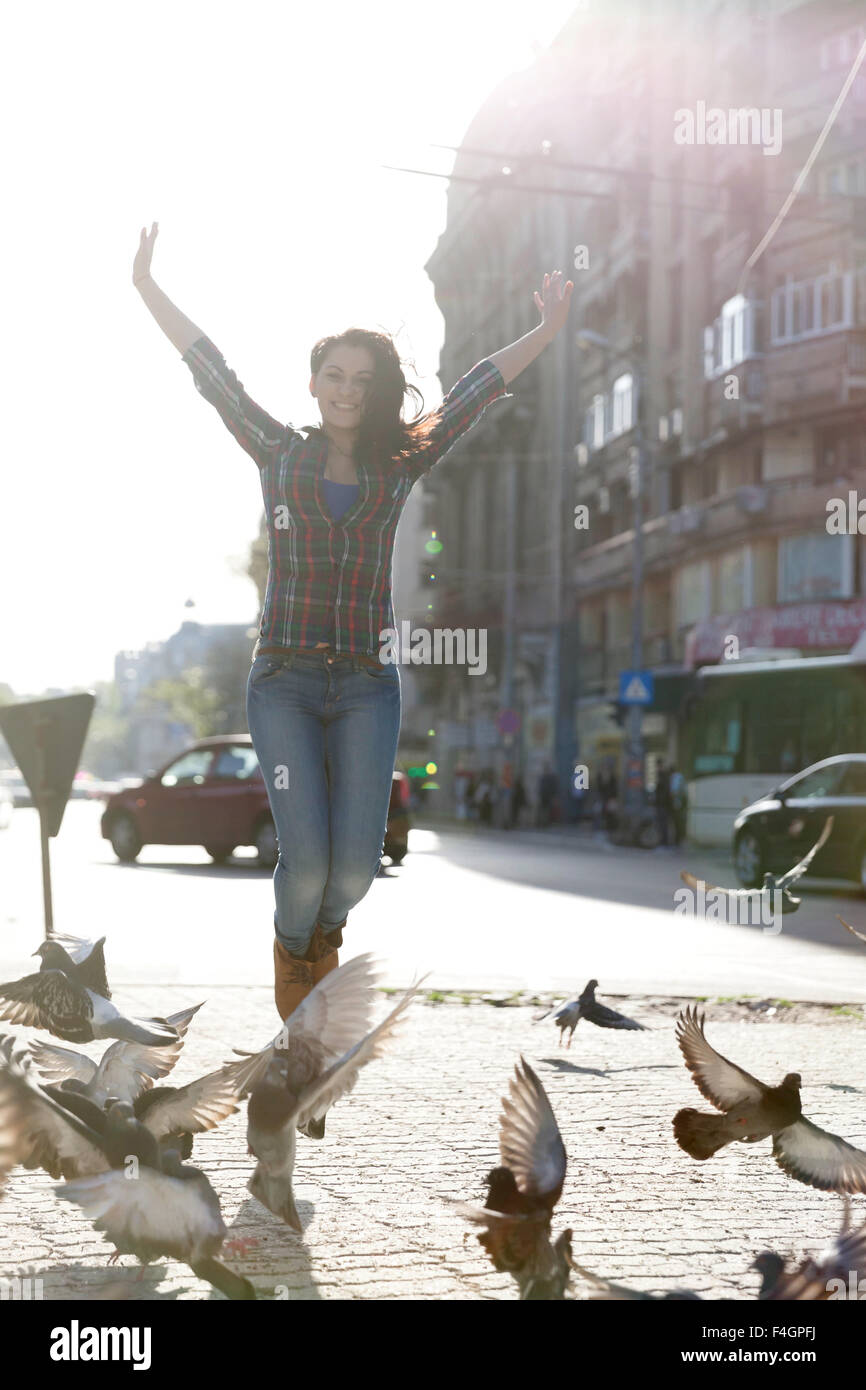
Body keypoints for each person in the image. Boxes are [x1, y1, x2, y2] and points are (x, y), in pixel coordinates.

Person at [133, 224, 573, 1023]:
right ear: (313, 385)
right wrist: (147, 287)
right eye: (333, 375)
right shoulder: (277, 453)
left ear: (375, 391)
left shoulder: (398, 462)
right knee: (303, 866)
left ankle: (320, 940)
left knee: (354, 875)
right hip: (286, 683)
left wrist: (544, 330)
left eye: (361, 379)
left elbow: (475, 388)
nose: (346, 389)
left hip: (369, 686)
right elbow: (212, 372)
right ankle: (295, 955)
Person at [655, 759, 672, 848]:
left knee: (663, 823)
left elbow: (664, 791)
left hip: (663, 804)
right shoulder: (661, 775)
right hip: (661, 804)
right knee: (661, 823)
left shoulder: (663, 776)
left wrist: (660, 801)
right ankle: (663, 841)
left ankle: (664, 842)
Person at [669, 765, 687, 846]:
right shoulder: (680, 776)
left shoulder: (675, 778)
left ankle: (677, 840)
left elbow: (674, 791)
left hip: (677, 804)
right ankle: (678, 839)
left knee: (676, 823)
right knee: (679, 822)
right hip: (681, 803)